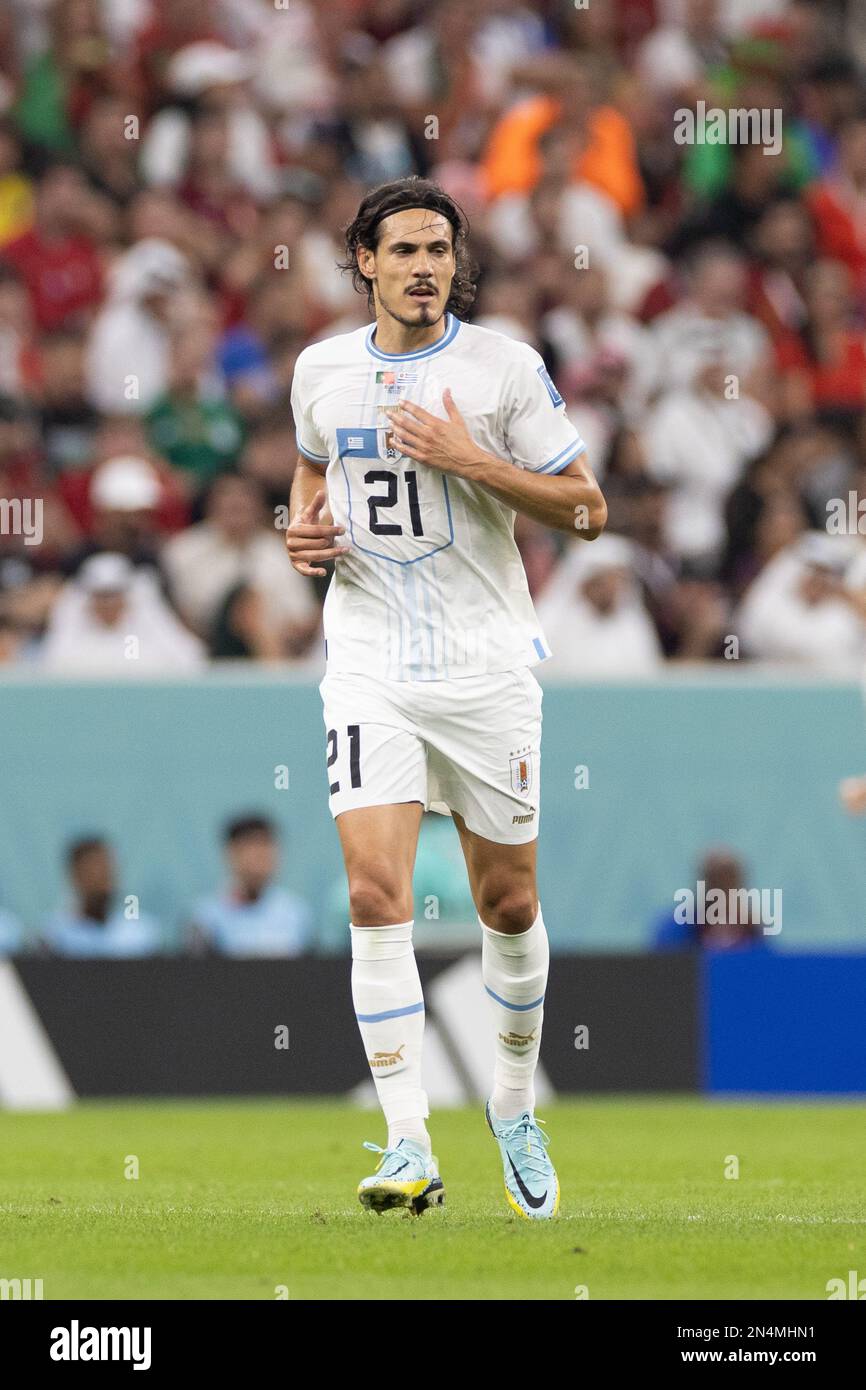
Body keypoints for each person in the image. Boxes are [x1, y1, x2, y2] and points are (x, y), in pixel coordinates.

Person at [285, 176, 606, 1219]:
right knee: (374, 895)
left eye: (439, 249)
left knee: (504, 902)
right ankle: (407, 1141)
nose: (425, 267)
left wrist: (472, 459)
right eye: (405, 250)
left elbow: (586, 507)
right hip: (368, 659)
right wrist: (302, 532)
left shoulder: (502, 367)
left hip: (485, 667)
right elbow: (307, 471)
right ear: (363, 263)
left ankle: (511, 1106)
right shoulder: (319, 372)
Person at [188, 814, 312, 957]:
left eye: (266, 846)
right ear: (231, 853)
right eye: (252, 846)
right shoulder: (204, 918)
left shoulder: (296, 913)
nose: (261, 856)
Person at [43, 837, 162, 957]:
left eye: (106, 871)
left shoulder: (140, 932)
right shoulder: (56, 936)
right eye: (92, 873)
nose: (101, 881)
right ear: (75, 877)